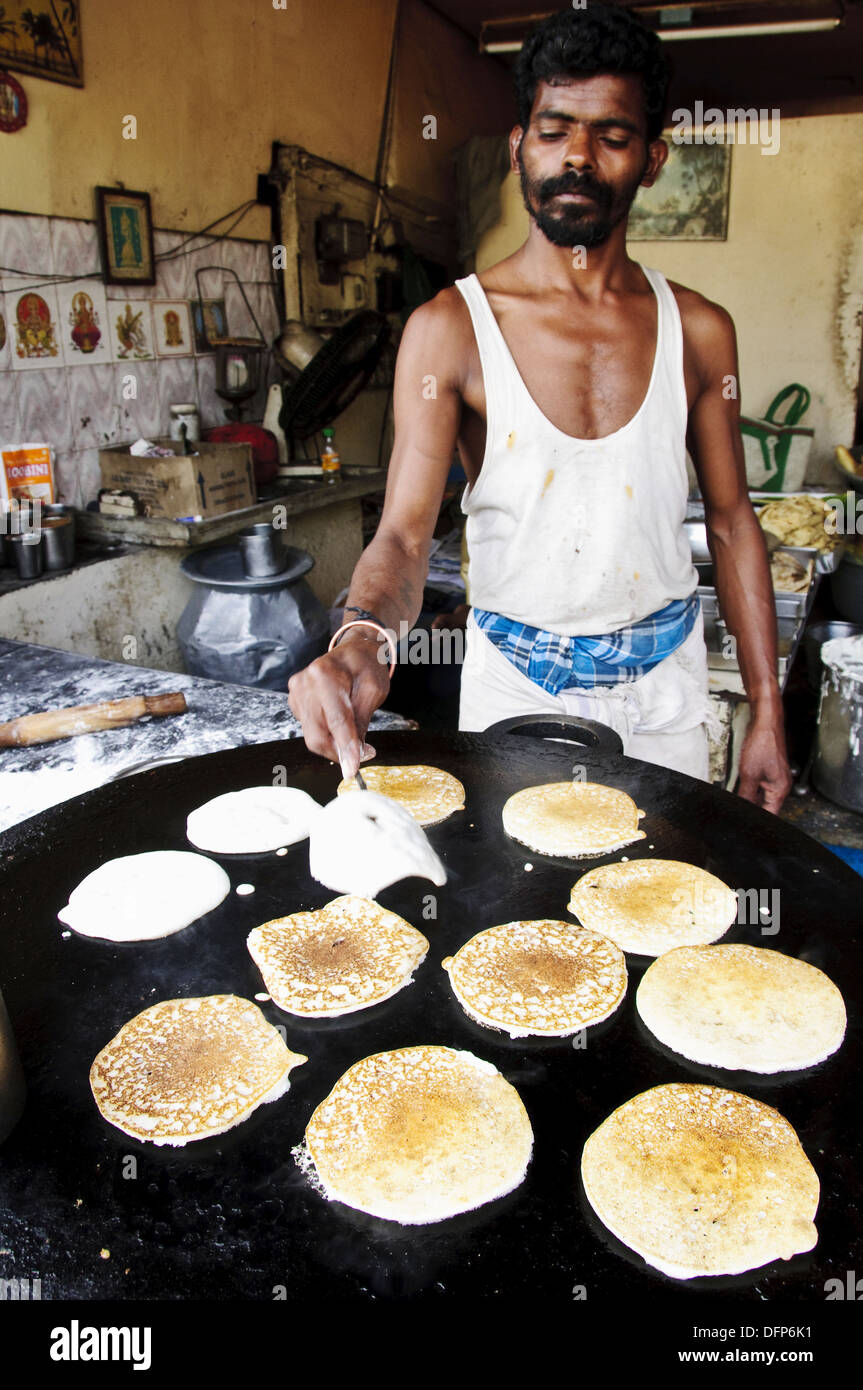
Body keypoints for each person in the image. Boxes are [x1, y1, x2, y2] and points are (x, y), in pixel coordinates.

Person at [288, 3, 791, 813]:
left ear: (652, 159)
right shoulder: (450, 329)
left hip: (665, 690)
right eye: (554, 131)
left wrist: (766, 705)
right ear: (519, 146)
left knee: (665, 884)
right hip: (515, 690)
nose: (578, 158)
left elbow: (732, 522)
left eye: (612, 136)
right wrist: (361, 639)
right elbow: (404, 536)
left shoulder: (698, 331)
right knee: (516, 887)